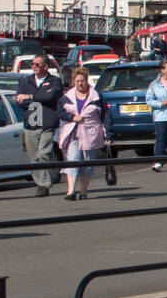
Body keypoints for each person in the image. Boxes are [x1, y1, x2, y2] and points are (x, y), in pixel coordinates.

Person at [15, 54, 63, 196]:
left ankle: (43, 185)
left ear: (45, 66)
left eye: (37, 64)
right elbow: (19, 100)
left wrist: (30, 97)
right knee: (34, 157)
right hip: (30, 124)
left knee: (43, 153)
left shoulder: (54, 81)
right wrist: (39, 97)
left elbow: (50, 96)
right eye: (32, 64)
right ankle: (41, 183)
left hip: (47, 124)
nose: (34, 66)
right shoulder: (26, 81)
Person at [58, 68, 108, 201]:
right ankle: (71, 191)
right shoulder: (66, 97)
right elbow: (60, 113)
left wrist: (108, 134)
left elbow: (105, 115)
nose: (80, 84)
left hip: (91, 133)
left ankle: (84, 191)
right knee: (72, 160)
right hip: (74, 132)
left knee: (88, 162)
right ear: (73, 81)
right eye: (78, 81)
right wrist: (72, 117)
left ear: (87, 81)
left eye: (83, 81)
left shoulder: (96, 96)